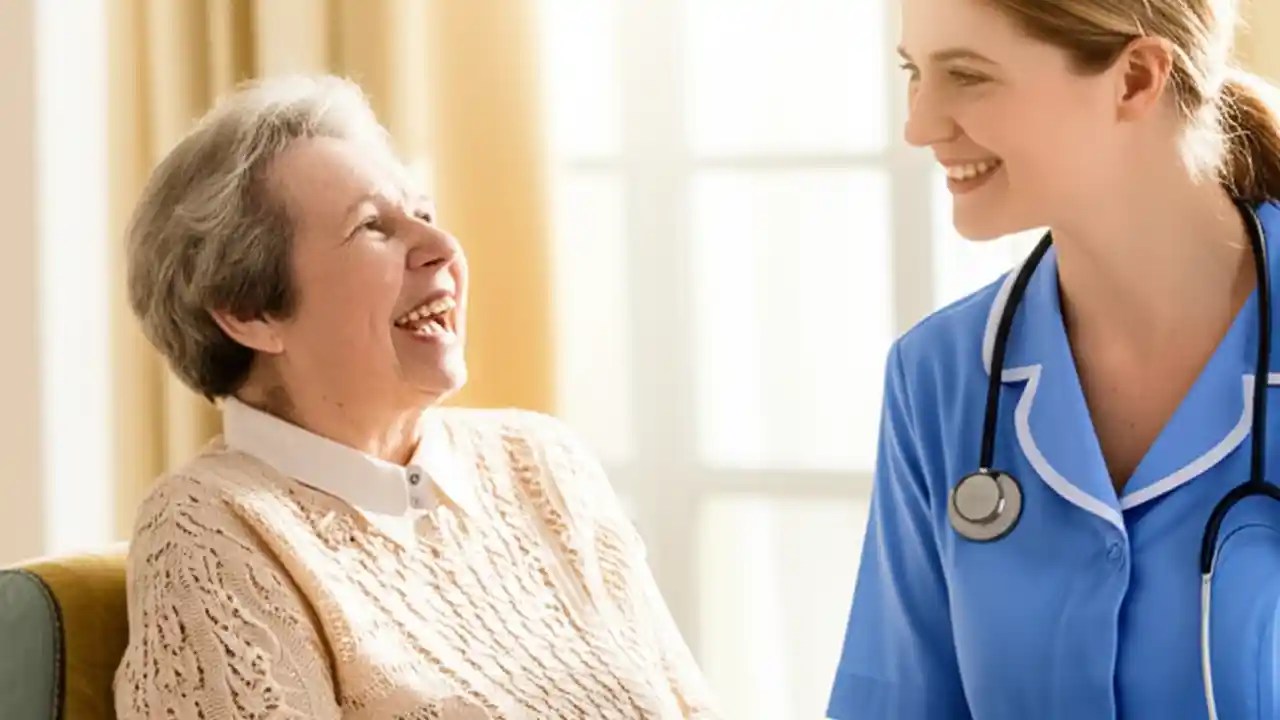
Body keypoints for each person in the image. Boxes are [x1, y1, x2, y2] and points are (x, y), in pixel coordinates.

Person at [112, 74, 720, 720]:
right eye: (373, 227)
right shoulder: (208, 530)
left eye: (424, 215)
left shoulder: (543, 462)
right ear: (249, 309)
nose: (442, 249)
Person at [827, 0, 1280, 718]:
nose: (919, 124)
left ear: (1135, 78)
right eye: (916, 72)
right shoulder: (939, 376)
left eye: (967, 76)